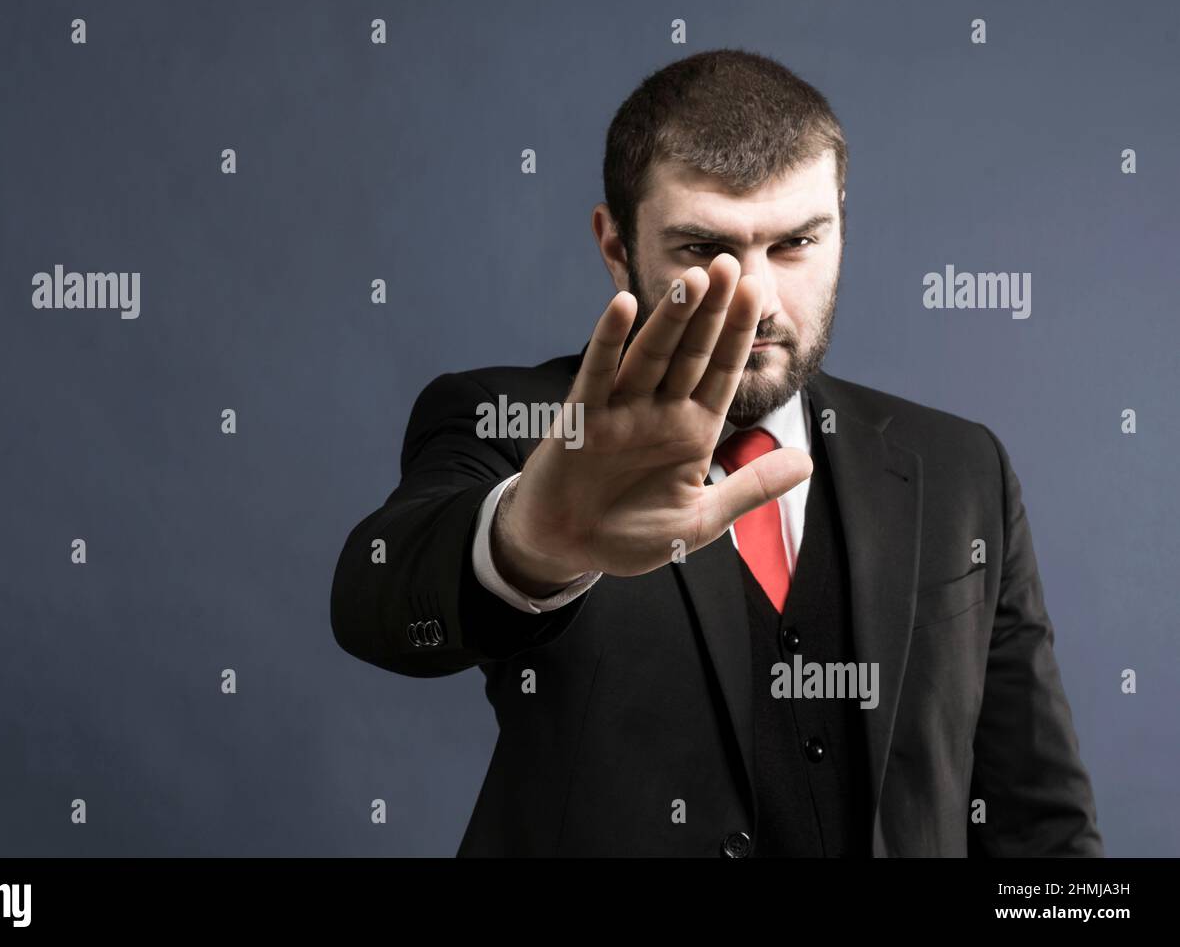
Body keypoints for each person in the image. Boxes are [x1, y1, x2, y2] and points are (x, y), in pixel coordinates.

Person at [330, 49, 1103, 857]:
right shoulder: (519, 423)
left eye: (798, 242)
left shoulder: (959, 467)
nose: (758, 300)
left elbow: (1039, 825)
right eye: (703, 250)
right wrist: (525, 544)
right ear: (616, 246)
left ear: (842, 221)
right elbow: (374, 605)